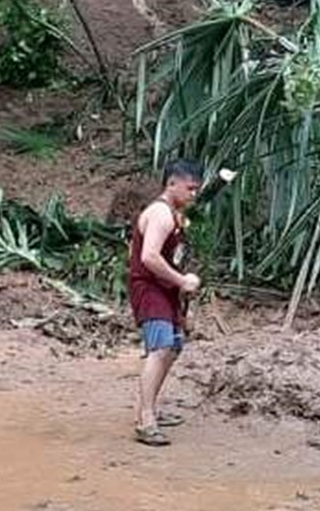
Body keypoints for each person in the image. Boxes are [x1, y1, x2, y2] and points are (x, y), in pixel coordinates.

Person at [128, 159, 204, 446]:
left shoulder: (174, 214)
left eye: (197, 190)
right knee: (160, 349)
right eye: (190, 189)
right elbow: (149, 257)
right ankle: (145, 419)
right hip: (150, 288)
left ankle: (151, 408)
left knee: (172, 347)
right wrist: (182, 280)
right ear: (172, 183)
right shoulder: (160, 213)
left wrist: (178, 283)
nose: (194, 195)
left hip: (164, 288)